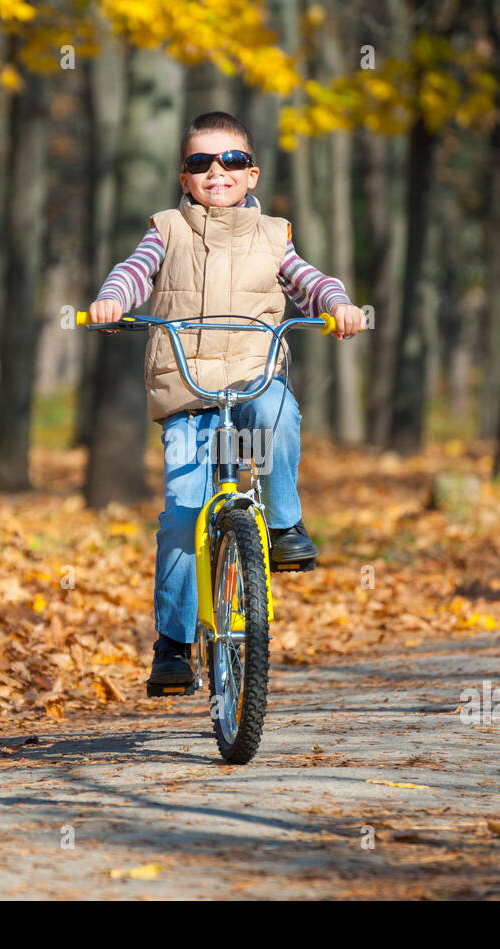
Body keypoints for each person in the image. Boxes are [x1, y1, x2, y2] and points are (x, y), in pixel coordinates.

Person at [86, 111, 366, 695]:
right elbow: (132, 274)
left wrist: (338, 305)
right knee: (183, 515)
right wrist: (112, 301)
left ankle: (285, 523)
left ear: (252, 174)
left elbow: (312, 281)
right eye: (200, 163)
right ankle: (173, 645)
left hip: (252, 378)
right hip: (187, 392)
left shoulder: (274, 236)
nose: (217, 171)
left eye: (231, 161)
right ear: (184, 178)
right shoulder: (165, 230)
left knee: (279, 413)